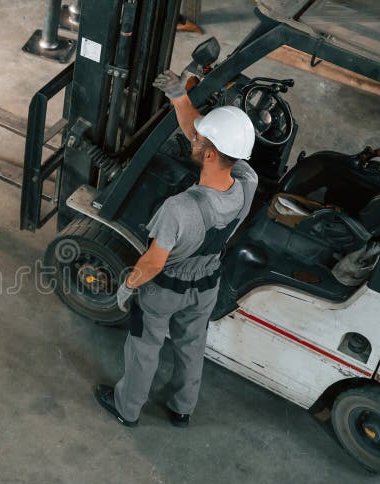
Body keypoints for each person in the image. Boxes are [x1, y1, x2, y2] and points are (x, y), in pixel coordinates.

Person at [94, 70, 258, 428]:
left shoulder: (179, 208)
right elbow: (206, 140)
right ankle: (182, 408)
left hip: (164, 290)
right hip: (207, 285)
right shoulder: (247, 181)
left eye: (197, 140)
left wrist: (127, 287)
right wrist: (179, 98)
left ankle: (128, 408)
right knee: (191, 345)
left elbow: (152, 262)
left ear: (211, 155)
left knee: (144, 347)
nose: (191, 140)